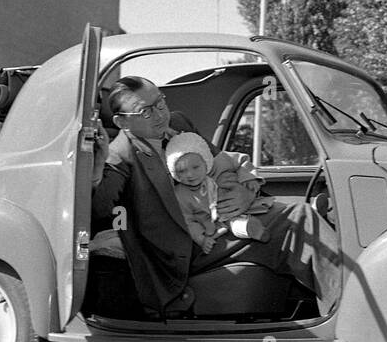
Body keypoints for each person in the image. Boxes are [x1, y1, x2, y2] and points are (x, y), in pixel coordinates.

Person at [92, 77, 337, 318]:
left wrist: (244, 190)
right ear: (122, 121)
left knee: (303, 213)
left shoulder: (179, 124)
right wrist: (98, 165)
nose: (159, 115)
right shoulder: (119, 156)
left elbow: (222, 163)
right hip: (183, 248)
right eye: (145, 111)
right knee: (298, 218)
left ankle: (343, 310)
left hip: (220, 219)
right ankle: (350, 314)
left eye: (160, 103)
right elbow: (99, 207)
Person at [165, 131, 267, 248]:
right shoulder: (181, 194)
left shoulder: (220, 162)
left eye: (196, 167)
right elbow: (188, 221)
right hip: (217, 222)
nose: (190, 175)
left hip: (249, 204)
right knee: (233, 225)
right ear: (174, 173)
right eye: (182, 171)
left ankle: (250, 227)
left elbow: (241, 161)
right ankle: (250, 228)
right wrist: (201, 239)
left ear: (206, 160)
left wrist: (248, 179)